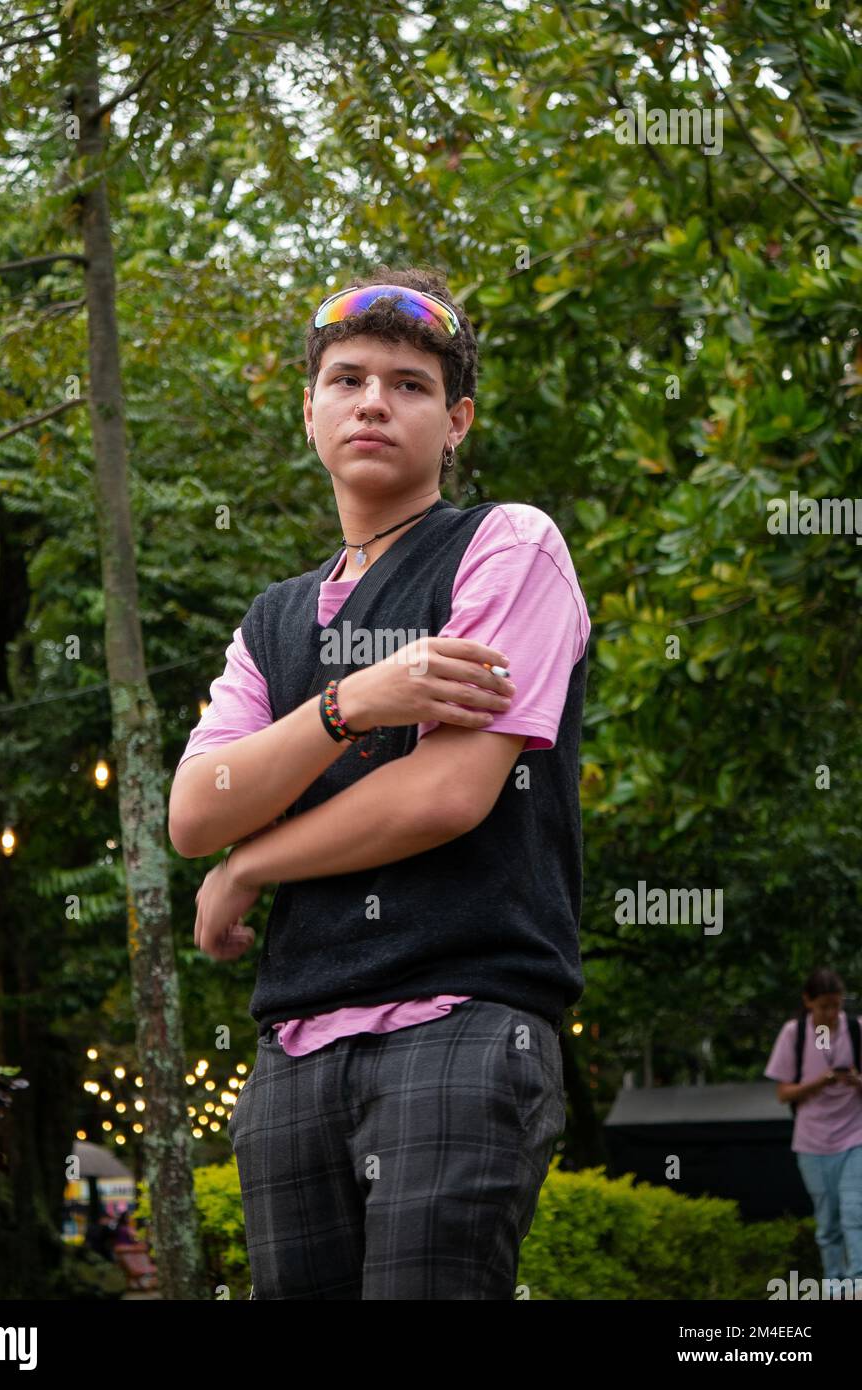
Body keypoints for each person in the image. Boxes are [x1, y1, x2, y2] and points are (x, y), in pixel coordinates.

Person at [170, 267, 590, 1299]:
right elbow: (194, 811)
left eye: (408, 384)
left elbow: (443, 795)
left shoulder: (506, 547)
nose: (372, 400)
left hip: (463, 1018)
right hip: (296, 1043)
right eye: (346, 378)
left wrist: (250, 866)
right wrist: (354, 701)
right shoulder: (274, 620)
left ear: (456, 423)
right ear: (308, 408)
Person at [764, 967, 862, 1293]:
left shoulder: (855, 1030)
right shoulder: (796, 1034)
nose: (832, 1013)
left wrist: (855, 1081)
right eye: (824, 1006)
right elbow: (783, 1094)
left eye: (838, 1005)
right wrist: (822, 1082)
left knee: (854, 1210)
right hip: (813, 1139)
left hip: (855, 1133)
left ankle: (858, 1281)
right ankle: (834, 1284)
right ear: (808, 1002)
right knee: (829, 1218)